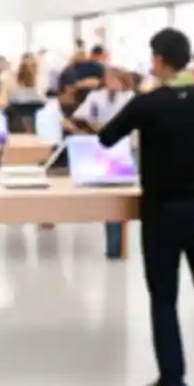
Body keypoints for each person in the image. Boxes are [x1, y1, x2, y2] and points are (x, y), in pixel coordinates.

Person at [97, 28, 194, 386]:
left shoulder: (148, 103)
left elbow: (107, 137)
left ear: (158, 61)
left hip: (161, 212)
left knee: (164, 299)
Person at [68, 67, 135, 259]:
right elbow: (80, 117)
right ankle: (113, 246)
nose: (110, 82)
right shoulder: (96, 97)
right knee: (107, 199)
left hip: (122, 151)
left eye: (114, 78)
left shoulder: (130, 98)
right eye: (107, 78)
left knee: (118, 199)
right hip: (99, 148)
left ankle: (118, 247)